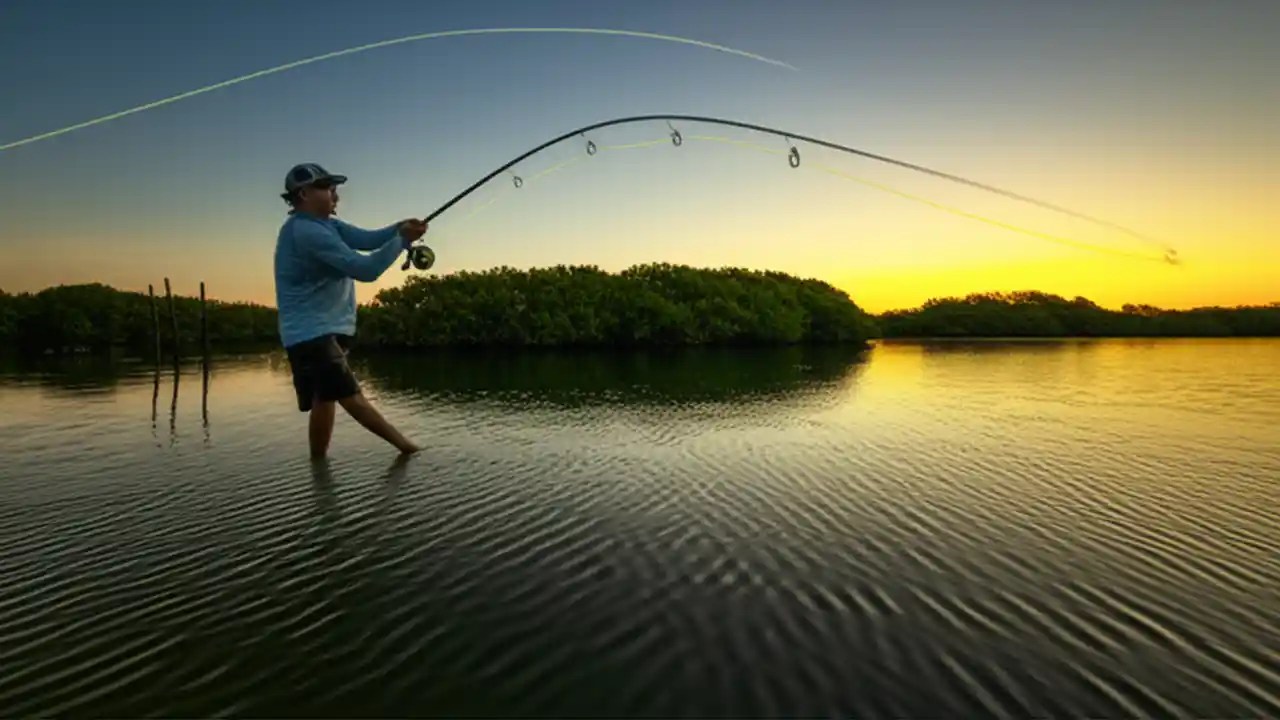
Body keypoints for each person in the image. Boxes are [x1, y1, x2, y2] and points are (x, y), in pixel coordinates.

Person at [273, 162, 426, 457]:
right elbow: (364, 268)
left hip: (328, 328)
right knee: (351, 397)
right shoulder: (306, 232)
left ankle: (318, 466)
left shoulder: (328, 225)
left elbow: (366, 240)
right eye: (328, 188)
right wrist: (403, 240)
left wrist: (399, 229)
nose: (336, 195)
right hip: (310, 333)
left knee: (323, 398)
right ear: (303, 194)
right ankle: (409, 450)